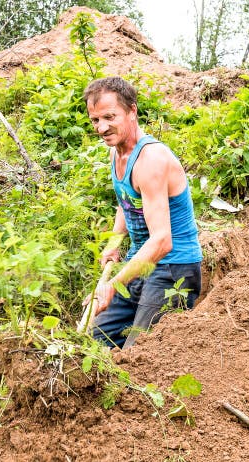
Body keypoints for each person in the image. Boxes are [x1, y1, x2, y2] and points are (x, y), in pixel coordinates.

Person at [83, 77, 203, 348]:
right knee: (96, 343)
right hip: (142, 263)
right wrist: (113, 244)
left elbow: (162, 241)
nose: (102, 127)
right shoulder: (117, 154)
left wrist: (112, 284)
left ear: (132, 111)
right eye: (95, 120)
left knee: (139, 355)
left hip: (174, 268)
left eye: (109, 117)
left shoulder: (151, 159)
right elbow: (126, 202)